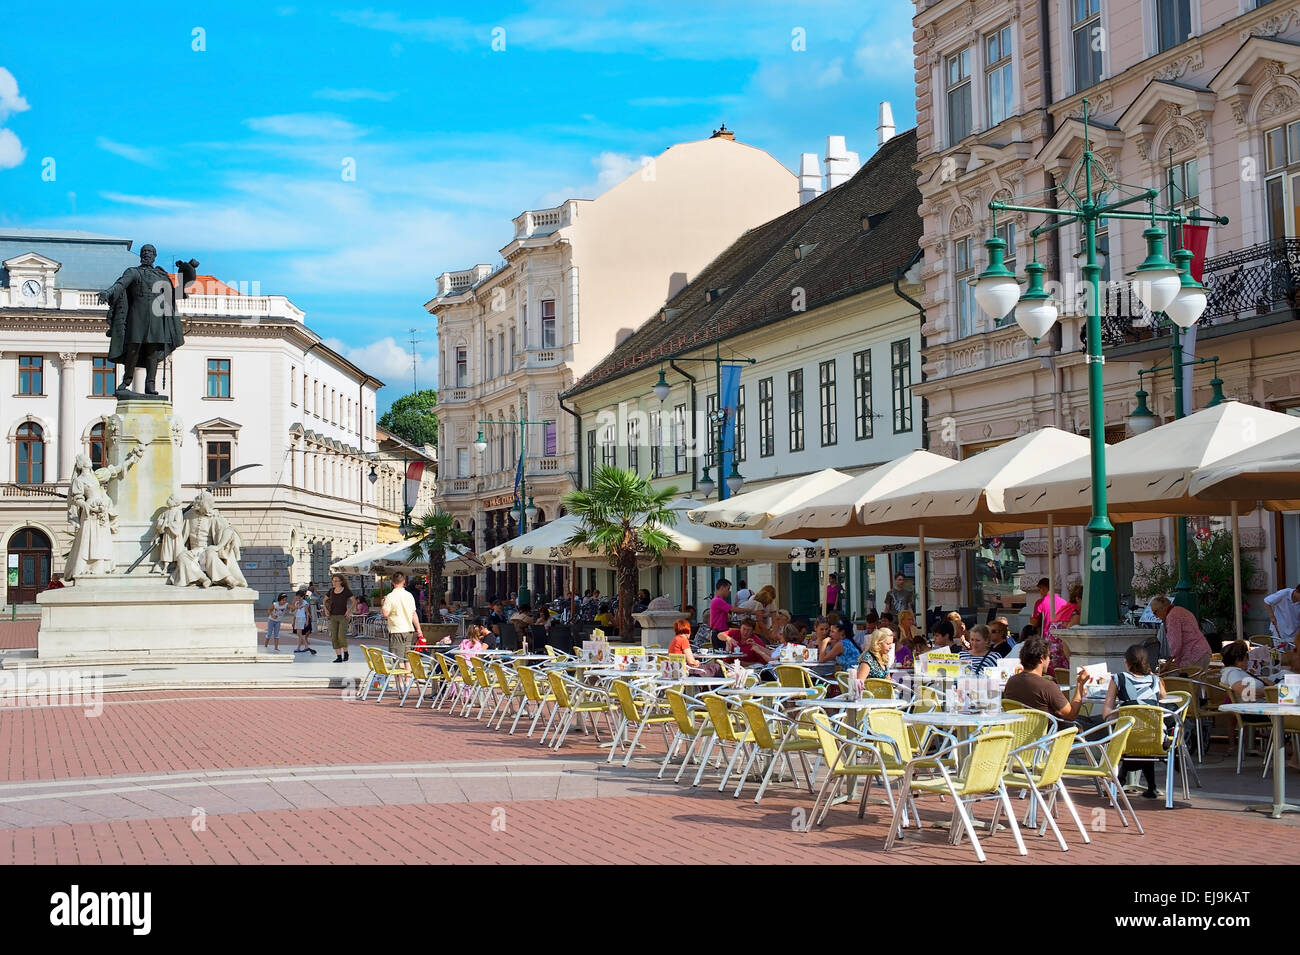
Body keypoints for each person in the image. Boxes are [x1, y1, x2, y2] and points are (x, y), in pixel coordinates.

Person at [1102, 645, 1170, 799]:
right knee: (1144, 732)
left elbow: (1106, 713)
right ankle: (1150, 786)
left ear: (1126, 662)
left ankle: (1120, 780)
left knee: (1130, 733)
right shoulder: (1155, 680)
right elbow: (1163, 696)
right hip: (1156, 738)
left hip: (1127, 739)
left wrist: (1117, 714)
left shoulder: (1118, 679)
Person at [1003, 636, 1089, 724]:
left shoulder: (1011, 682)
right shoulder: (1047, 686)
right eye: (1049, 656)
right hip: (1048, 734)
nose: (1049, 661)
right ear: (1041, 659)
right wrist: (1080, 685)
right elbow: (1071, 715)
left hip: (1018, 733)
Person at [1150, 596, 1211, 673]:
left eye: (1155, 612)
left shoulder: (1172, 616)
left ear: (1163, 608)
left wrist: (1168, 662)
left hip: (1193, 654)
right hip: (1202, 651)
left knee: (1188, 684)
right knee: (1200, 683)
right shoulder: (1181, 610)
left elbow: (1176, 643)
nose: (1155, 616)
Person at [381, 571, 420, 659]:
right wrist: (419, 629)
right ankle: (408, 673)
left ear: (392, 582)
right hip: (409, 630)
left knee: (398, 659)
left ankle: (400, 673)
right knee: (407, 658)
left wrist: (383, 604)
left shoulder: (390, 596)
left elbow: (385, 613)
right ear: (404, 582)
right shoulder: (409, 595)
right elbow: (414, 613)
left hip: (396, 630)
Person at [323, 574, 353, 663]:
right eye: (333, 581)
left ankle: (346, 652)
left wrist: (348, 611)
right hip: (333, 616)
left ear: (341, 582)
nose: (334, 582)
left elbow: (354, 601)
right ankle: (339, 656)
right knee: (334, 636)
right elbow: (324, 600)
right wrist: (325, 610)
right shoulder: (331, 591)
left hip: (343, 616)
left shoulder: (346, 591)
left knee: (341, 636)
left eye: (336, 581)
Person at [1265, 584, 1300, 648]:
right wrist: (1272, 617)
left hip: (1295, 631)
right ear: (1296, 591)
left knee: (1294, 655)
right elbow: (1267, 601)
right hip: (1280, 629)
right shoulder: (1284, 593)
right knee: (1280, 653)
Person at [291, 589, 314, 654]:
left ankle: (306, 646)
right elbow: (295, 612)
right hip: (297, 618)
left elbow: (307, 613)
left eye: (299, 597)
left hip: (302, 618)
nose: (298, 598)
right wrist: (293, 621)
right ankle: (298, 648)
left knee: (299, 634)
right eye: (297, 597)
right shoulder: (296, 603)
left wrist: (307, 621)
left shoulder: (305, 603)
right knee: (300, 634)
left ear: (302, 597)